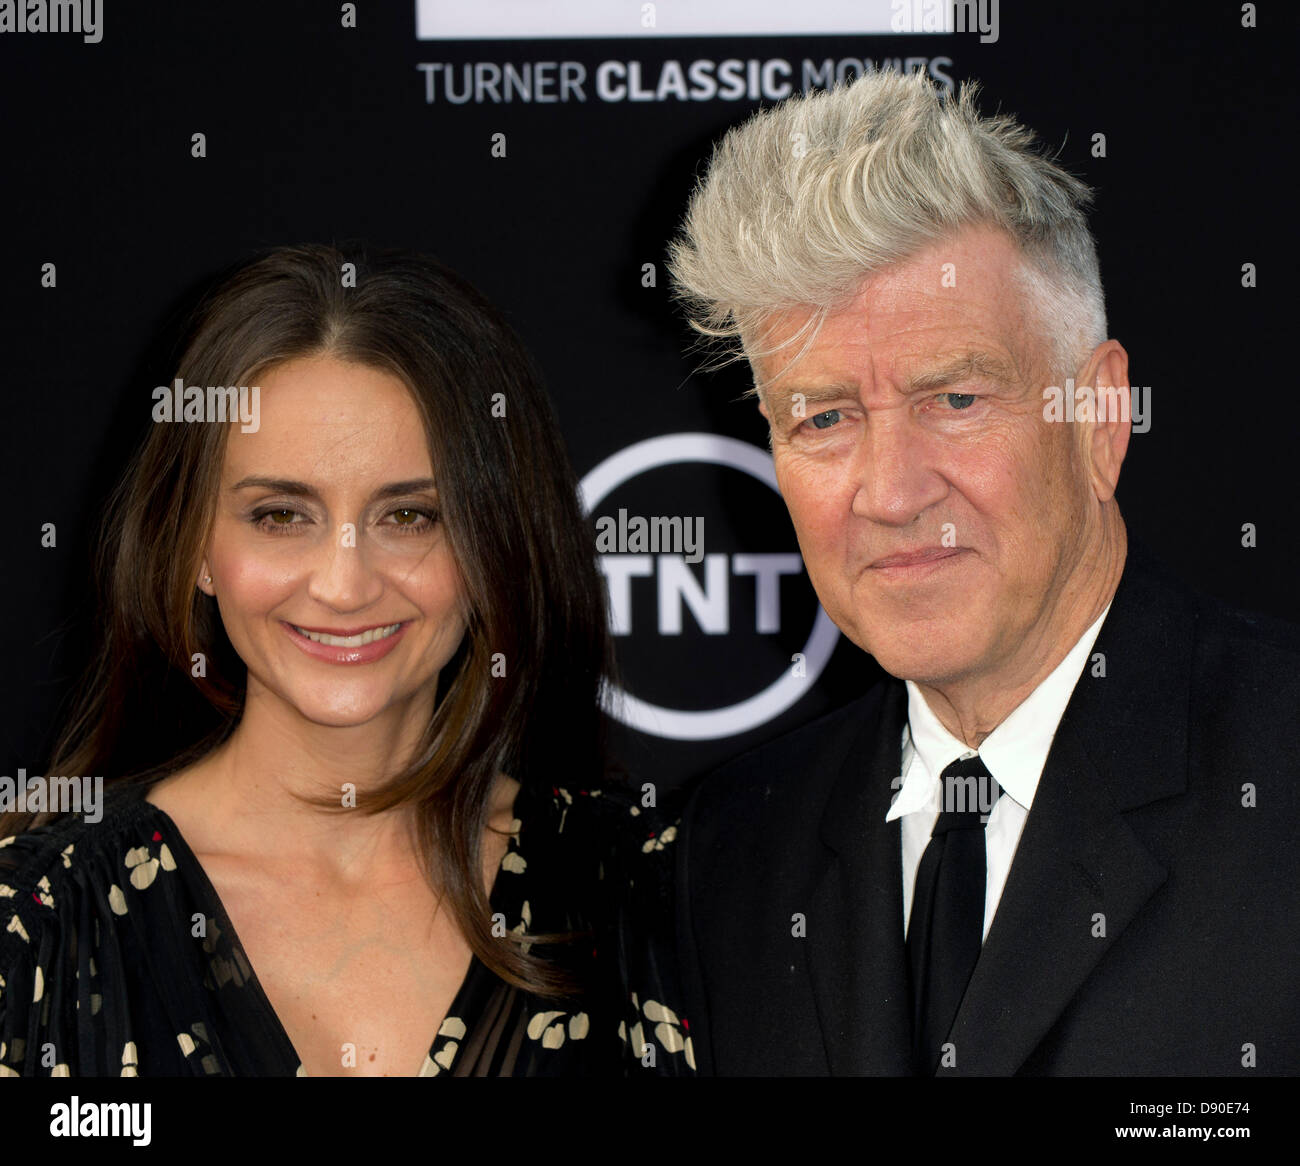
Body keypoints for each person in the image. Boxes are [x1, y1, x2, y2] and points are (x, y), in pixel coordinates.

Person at [666, 71, 1300, 1076]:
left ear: (1099, 417)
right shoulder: (738, 846)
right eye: (823, 418)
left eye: (954, 398)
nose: (889, 491)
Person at [0, 244, 693, 1077]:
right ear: (193, 547)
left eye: (410, 516)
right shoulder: (35, 924)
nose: (343, 583)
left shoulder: (654, 894)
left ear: (494, 549)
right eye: (281, 515)